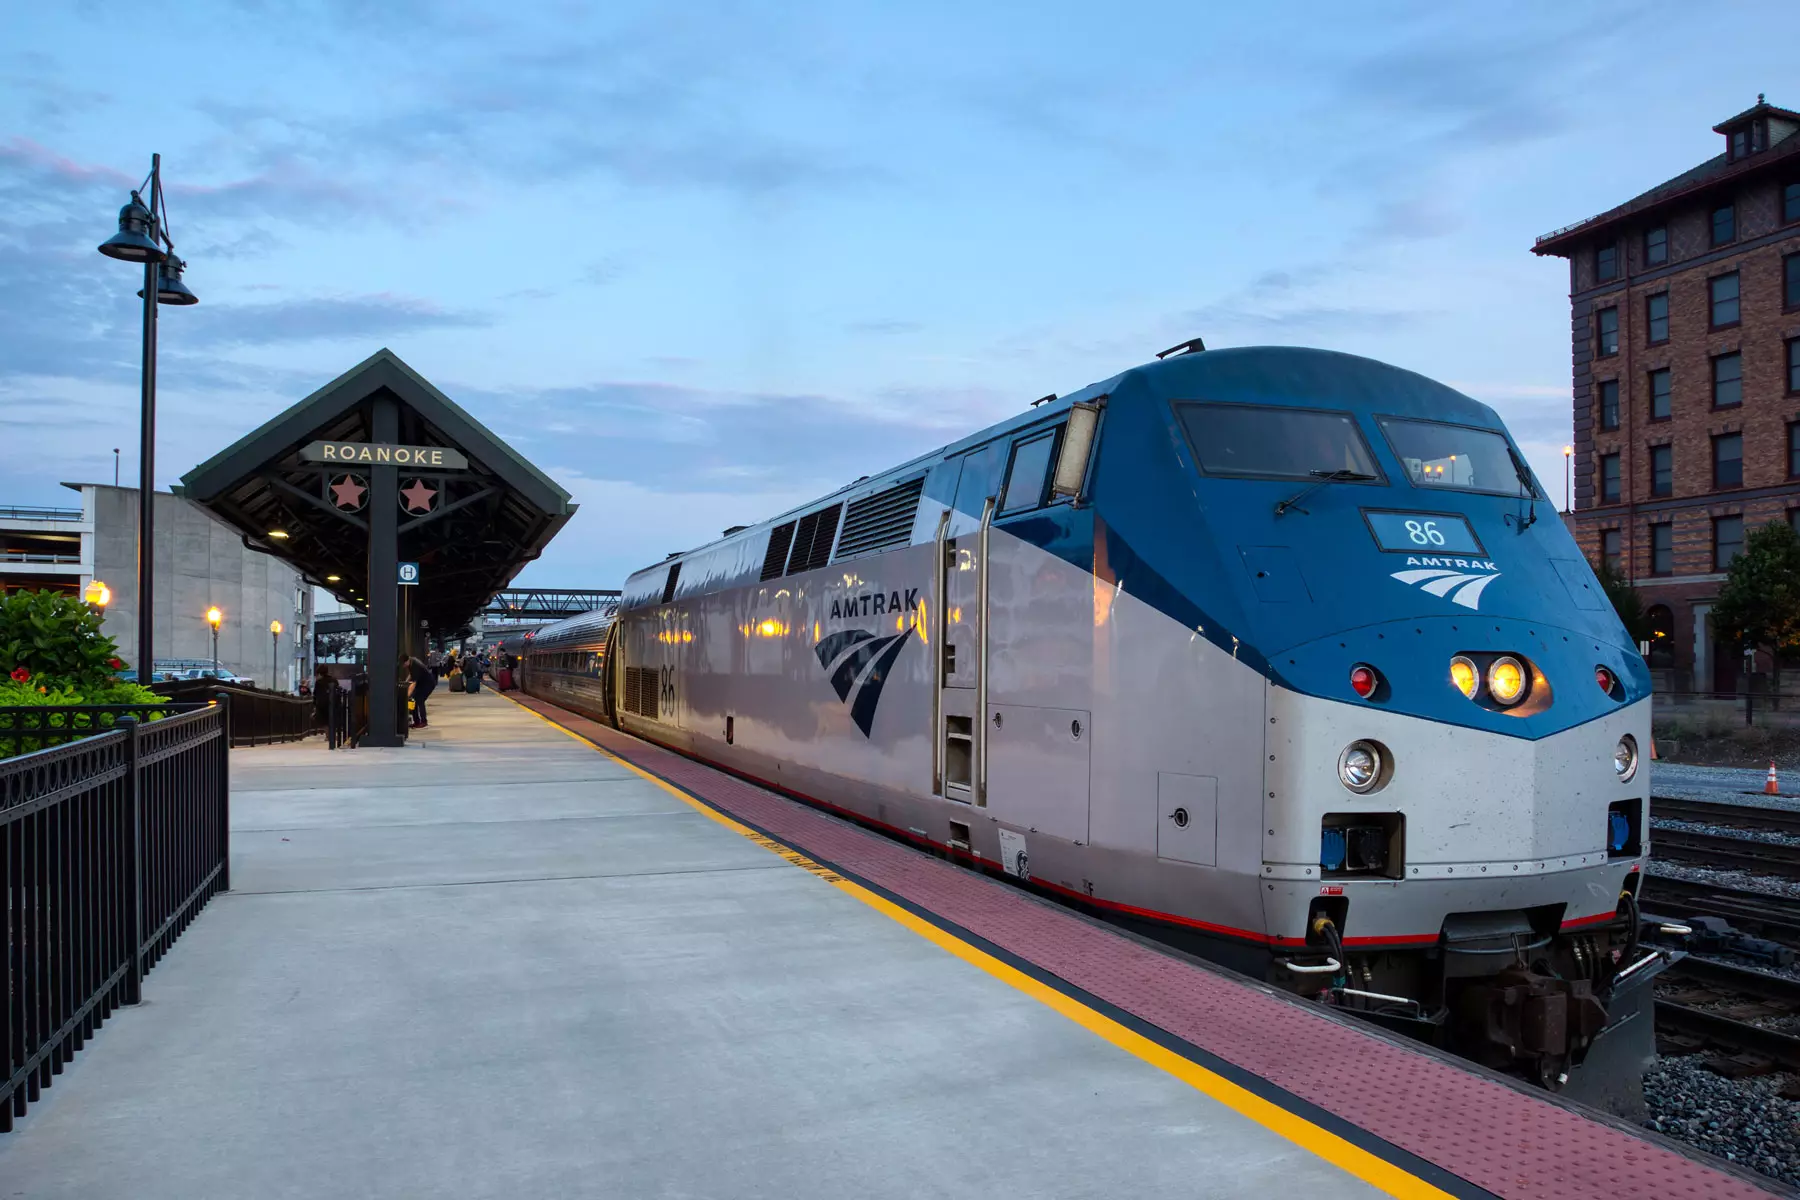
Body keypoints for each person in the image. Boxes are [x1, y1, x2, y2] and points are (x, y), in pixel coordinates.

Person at [405, 654, 436, 728]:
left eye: (404, 664)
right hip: (422, 683)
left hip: (428, 684)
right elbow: (411, 675)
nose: (404, 666)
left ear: (407, 661)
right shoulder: (411, 661)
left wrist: (407, 695)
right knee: (413, 701)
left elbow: (414, 683)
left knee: (419, 700)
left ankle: (423, 721)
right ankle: (417, 721)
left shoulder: (415, 665)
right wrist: (406, 682)